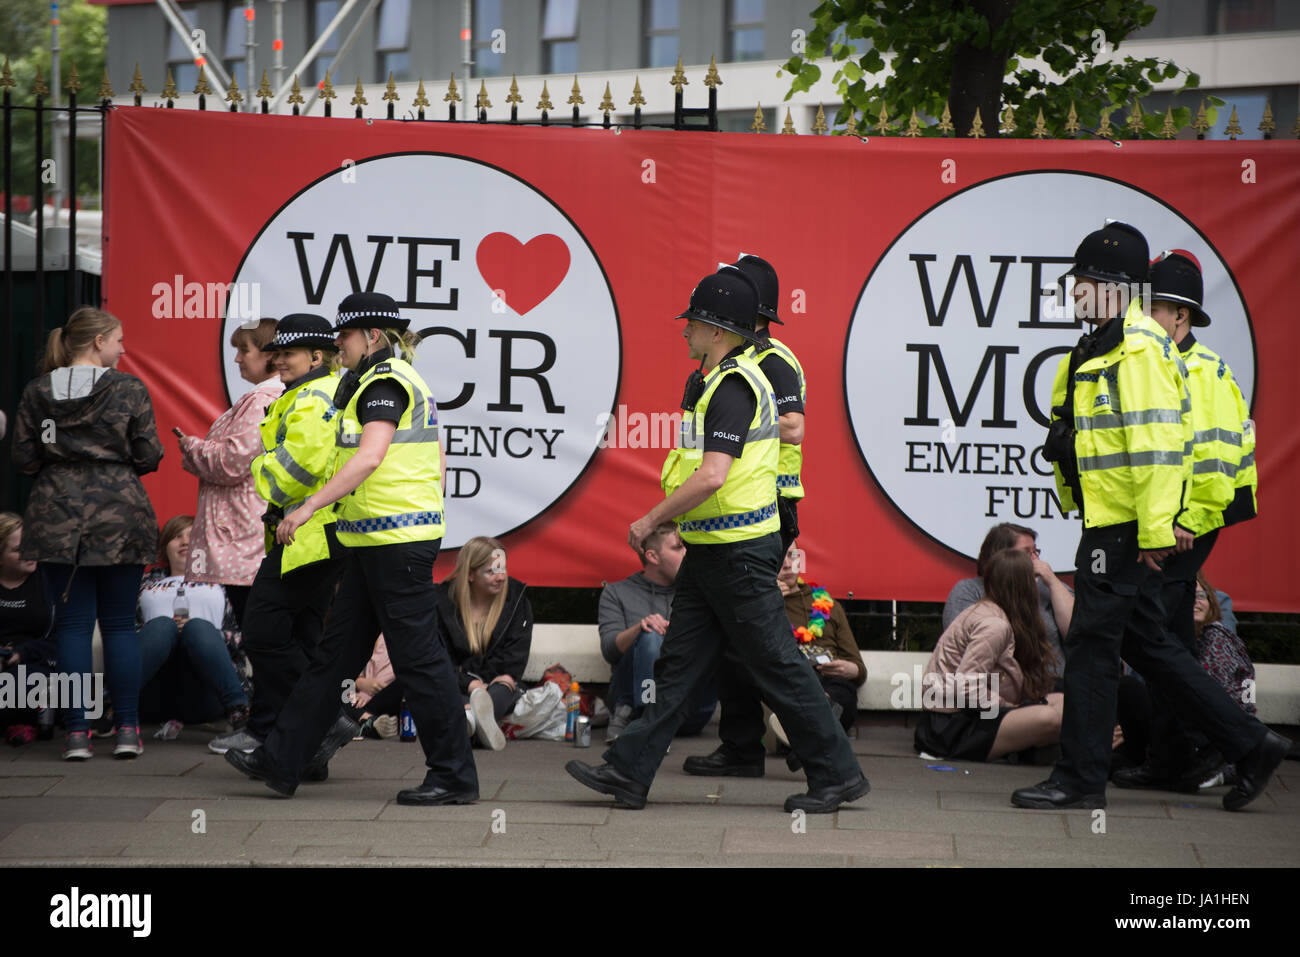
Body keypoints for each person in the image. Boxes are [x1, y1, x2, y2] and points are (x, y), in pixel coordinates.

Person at [565, 269, 869, 813]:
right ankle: (629, 774)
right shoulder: (715, 381)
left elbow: (711, 476)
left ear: (718, 330)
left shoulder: (734, 386)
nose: (685, 333)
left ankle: (837, 773)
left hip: (738, 554)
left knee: (776, 662)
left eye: (694, 325)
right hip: (714, 551)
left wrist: (649, 520)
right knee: (679, 665)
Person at [1010, 221, 1287, 811]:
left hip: (1125, 529)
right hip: (1113, 521)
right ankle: (1250, 742)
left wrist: (1156, 532)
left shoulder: (1138, 349)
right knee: (1149, 643)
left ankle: (1080, 780)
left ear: (1111, 285)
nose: (1074, 290)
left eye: (1082, 281)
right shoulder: (1107, 344)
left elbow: (1160, 451)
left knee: (1089, 643)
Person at [224, 292, 478, 805]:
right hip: (376, 541)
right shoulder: (373, 380)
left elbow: (369, 458)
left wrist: (305, 508)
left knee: (419, 662)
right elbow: (435, 460)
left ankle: (454, 776)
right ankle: (282, 759)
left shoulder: (385, 382)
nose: (337, 343)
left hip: (396, 544)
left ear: (374, 338)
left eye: (345, 335)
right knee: (333, 656)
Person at [1112, 251, 1258, 790]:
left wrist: (1186, 523)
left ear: (1184, 317)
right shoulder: (1157, 360)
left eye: (1160, 309)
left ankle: (1237, 747)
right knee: (1166, 641)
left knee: (1159, 643)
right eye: (1145, 306)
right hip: (1169, 524)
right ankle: (1177, 759)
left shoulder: (1207, 371)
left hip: (1188, 526)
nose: (1147, 317)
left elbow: (1218, 465)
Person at [13, 307, 164, 760]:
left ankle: (77, 734)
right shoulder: (128, 389)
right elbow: (148, 452)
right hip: (119, 510)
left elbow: (24, 457)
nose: (122, 348)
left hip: (55, 511)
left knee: (74, 627)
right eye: (118, 340)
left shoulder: (38, 391)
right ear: (98, 342)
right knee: (119, 623)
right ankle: (127, 730)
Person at [209, 315, 347, 757]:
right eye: (276, 353)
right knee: (304, 638)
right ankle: (306, 751)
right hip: (310, 535)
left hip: (306, 538)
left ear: (317, 356)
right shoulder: (312, 391)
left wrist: (257, 471)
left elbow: (293, 475)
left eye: (287, 354)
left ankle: (326, 718)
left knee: (263, 632)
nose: (278, 362)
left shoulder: (312, 398)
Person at [174, 318, 283, 629]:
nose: (237, 358)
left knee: (260, 636)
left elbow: (232, 463)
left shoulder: (262, 400)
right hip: (247, 533)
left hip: (244, 535)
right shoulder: (265, 398)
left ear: (270, 355)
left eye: (244, 350)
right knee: (261, 635)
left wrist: (191, 447)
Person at [916, 549, 1063, 762]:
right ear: (1023, 586)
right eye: (1034, 580)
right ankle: (1034, 749)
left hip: (970, 715)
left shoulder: (992, 613)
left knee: (1064, 702)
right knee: (1048, 718)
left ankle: (1033, 748)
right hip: (952, 728)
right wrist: (1008, 706)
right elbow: (965, 686)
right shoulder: (994, 625)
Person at [137, 515, 249, 728]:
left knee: (197, 626)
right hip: (151, 690)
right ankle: (113, 705)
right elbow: (125, 633)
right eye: (177, 536)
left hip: (207, 691)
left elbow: (242, 639)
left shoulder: (224, 583)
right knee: (163, 625)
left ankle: (239, 710)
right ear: (164, 547)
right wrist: (167, 630)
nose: (185, 542)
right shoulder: (144, 583)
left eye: (192, 536)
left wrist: (197, 630)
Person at [435, 536, 532, 751]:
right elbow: (440, 659)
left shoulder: (517, 601)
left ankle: (469, 720)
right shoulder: (442, 602)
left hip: (496, 687)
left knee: (506, 684)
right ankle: (475, 722)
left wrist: (482, 686)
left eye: (503, 569)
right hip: (457, 684)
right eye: (491, 571)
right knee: (441, 686)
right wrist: (470, 684)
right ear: (470, 574)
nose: (501, 577)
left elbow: (513, 660)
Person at [943, 523, 1072, 676]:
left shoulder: (1051, 588)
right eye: (1027, 553)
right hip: (994, 688)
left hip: (1056, 687)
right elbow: (961, 647)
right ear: (1003, 556)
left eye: (1036, 551)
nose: (1036, 559)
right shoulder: (970, 590)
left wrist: (1052, 581)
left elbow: (1077, 633)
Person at [0, 513, 56, 745]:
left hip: (36, 666)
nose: (30, 554)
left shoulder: (49, 582)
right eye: (18, 549)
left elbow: (63, 639)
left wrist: (21, 653)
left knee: (34, 682)